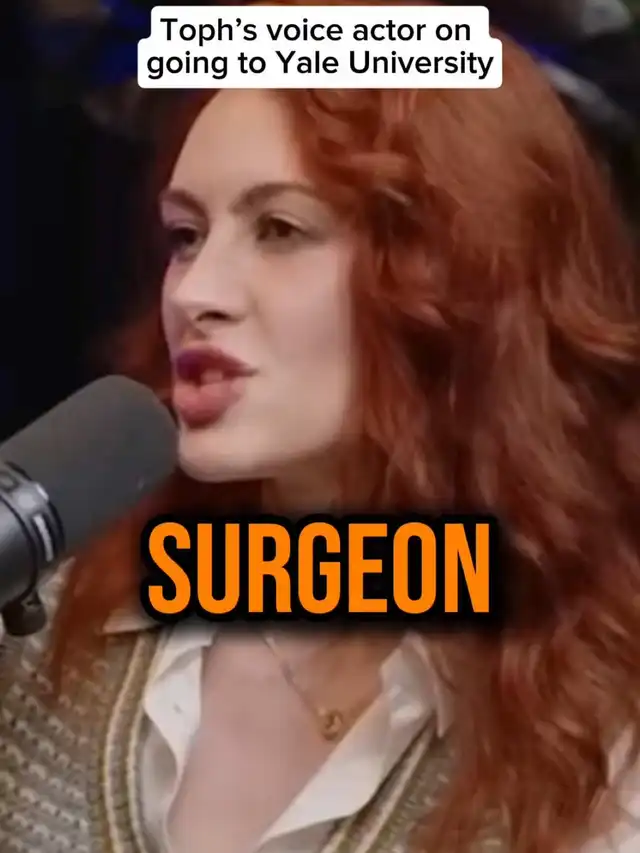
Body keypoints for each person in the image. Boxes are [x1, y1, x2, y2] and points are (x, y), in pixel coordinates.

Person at [1, 2, 640, 852]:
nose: (194, 293)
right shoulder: (43, 624)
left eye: (281, 229)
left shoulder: (603, 718)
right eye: (186, 236)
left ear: (459, 276)